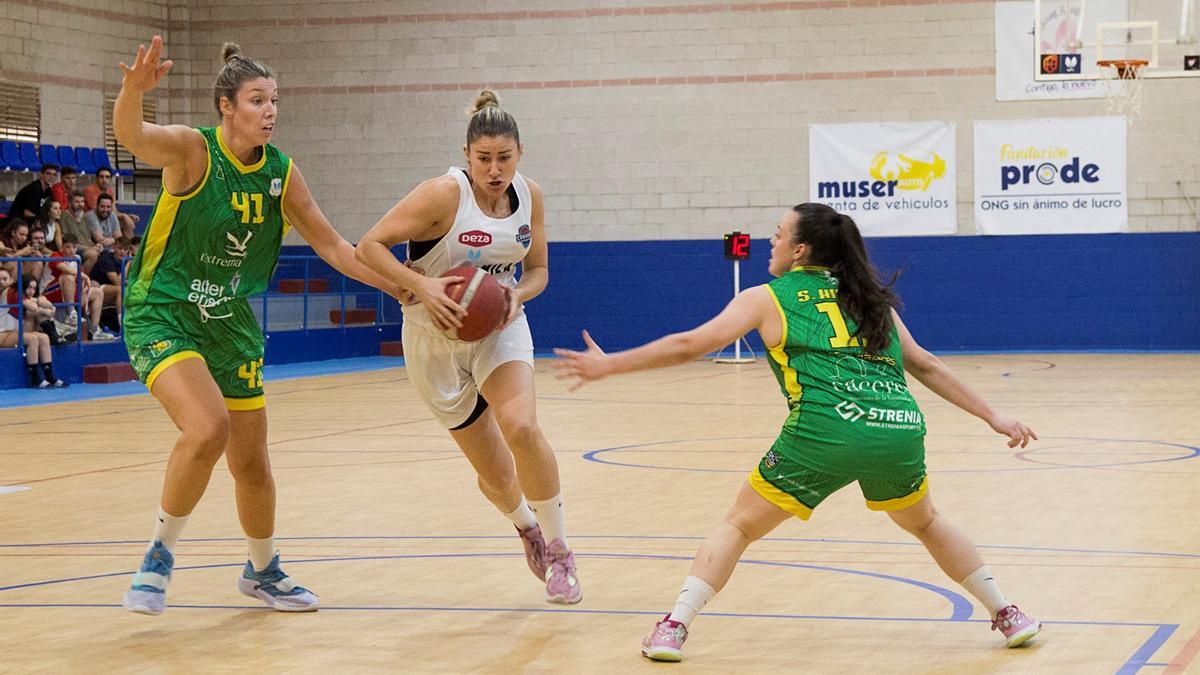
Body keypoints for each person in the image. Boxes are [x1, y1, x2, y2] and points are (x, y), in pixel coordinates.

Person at [554, 203, 1043, 661]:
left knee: (740, 524)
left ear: (799, 251)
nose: (771, 244)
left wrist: (610, 365)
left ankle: (673, 626)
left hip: (825, 430)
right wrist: (992, 416)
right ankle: (1007, 613)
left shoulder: (767, 298)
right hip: (898, 427)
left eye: (778, 236)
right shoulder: (871, 301)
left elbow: (689, 345)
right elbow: (927, 365)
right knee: (926, 522)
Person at [114, 36, 399, 616]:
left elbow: (333, 245)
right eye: (257, 101)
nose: (269, 111)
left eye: (274, 101)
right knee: (206, 427)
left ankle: (263, 570)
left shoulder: (281, 172)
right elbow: (134, 137)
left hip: (228, 319)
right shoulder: (194, 151)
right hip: (163, 310)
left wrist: (399, 286)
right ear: (227, 106)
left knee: (252, 463)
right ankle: (158, 557)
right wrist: (131, 92)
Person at [356, 90, 582, 604]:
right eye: (484, 159)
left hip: (499, 326)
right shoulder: (442, 195)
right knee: (497, 476)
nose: (494, 169)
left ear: (520, 154)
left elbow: (540, 271)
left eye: (504, 158)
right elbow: (368, 246)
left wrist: (514, 295)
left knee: (522, 427)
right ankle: (526, 527)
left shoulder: (531, 196)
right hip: (432, 337)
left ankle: (561, 551)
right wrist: (424, 286)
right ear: (466, 156)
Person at [0, 268, 64, 388]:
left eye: (4, 279)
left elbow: (39, 303)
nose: (2, 282)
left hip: (12, 333)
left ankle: (50, 376)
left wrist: (47, 307)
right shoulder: (10, 292)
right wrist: (47, 309)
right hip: (2, 334)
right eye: (0, 279)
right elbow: (33, 307)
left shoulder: (18, 294)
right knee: (32, 339)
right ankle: (35, 378)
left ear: (11, 280)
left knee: (44, 337)